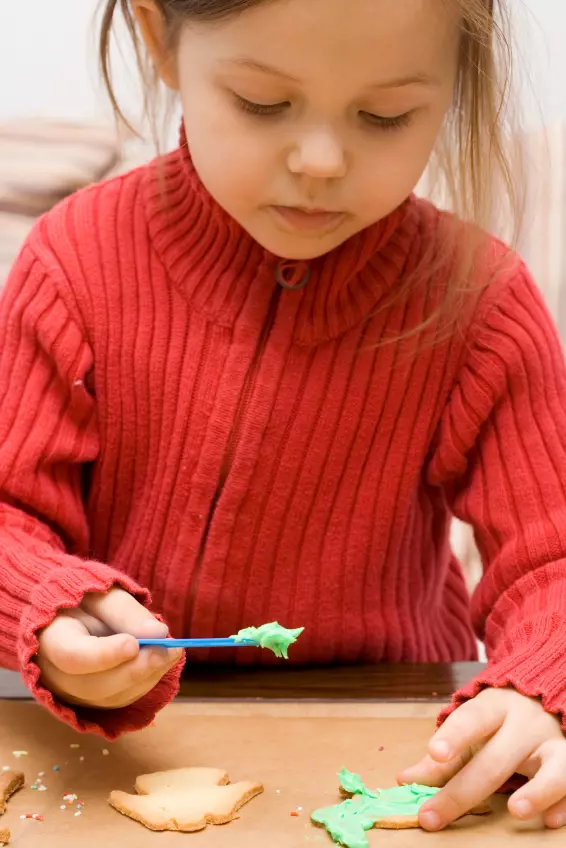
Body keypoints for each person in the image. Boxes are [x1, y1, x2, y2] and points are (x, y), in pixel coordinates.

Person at [1, 0, 566, 832]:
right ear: (161, 40)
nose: (321, 160)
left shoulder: (484, 306)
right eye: (264, 104)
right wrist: (44, 605)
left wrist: (541, 684)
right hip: (99, 749)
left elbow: (549, 561)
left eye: (386, 115)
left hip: (391, 735)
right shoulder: (70, 265)